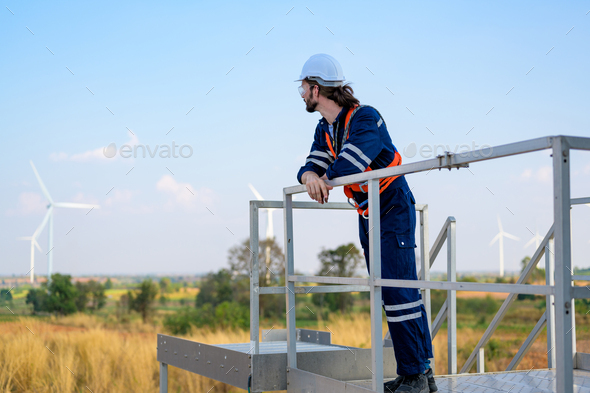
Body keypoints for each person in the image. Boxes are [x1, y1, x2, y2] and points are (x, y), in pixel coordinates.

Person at [295, 54, 438, 393]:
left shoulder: (365, 118)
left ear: (316, 89)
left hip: (392, 207)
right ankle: (418, 373)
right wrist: (310, 176)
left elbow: (350, 164)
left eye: (302, 88)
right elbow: (309, 165)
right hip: (368, 212)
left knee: (399, 290)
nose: (300, 94)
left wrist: (322, 178)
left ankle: (416, 374)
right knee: (393, 292)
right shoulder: (325, 128)